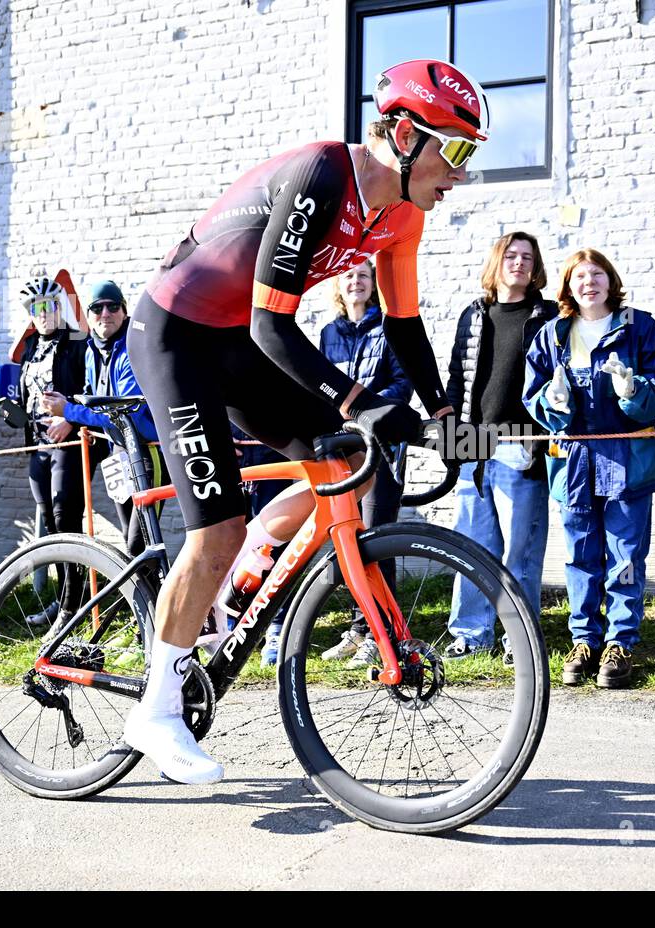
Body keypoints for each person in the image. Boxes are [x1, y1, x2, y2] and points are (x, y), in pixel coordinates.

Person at [123, 59, 486, 783]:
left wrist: (444, 413)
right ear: (407, 134)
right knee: (214, 527)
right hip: (177, 336)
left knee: (339, 452)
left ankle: (233, 579)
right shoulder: (324, 175)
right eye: (459, 151)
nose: (463, 175)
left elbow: (405, 326)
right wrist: (358, 397)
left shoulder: (405, 213)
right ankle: (156, 710)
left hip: (239, 340)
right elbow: (271, 323)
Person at [525, 249, 655, 689]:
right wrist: (552, 404)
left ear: (611, 281)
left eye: (597, 274)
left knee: (625, 556)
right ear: (568, 287)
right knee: (581, 555)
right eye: (579, 276)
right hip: (572, 460)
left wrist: (633, 390)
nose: (588, 282)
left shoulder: (641, 328)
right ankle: (584, 641)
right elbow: (533, 397)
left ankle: (620, 643)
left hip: (628, 457)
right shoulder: (552, 336)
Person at [444, 231, 557, 662]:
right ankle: (471, 635)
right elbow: (458, 378)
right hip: (474, 443)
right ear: (497, 261)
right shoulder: (473, 315)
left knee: (519, 552)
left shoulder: (545, 315)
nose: (520, 263)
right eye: (511, 255)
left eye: (528, 257)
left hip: (521, 444)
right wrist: (452, 435)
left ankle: (518, 639)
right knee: (472, 546)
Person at [315, 259, 412, 666]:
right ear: (339, 284)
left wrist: (358, 410)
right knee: (349, 542)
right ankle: (359, 628)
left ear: (373, 285)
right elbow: (316, 384)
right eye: (349, 275)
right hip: (343, 452)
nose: (356, 281)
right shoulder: (327, 333)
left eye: (363, 276)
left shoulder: (387, 328)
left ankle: (384, 631)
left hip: (382, 449)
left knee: (376, 540)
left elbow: (401, 386)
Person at [40, 280, 166, 559]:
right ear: (90, 314)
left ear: (124, 310)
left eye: (112, 306)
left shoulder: (133, 348)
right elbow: (89, 394)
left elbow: (123, 410)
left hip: (147, 450)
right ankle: (146, 600)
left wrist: (68, 412)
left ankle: (160, 601)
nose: (105, 313)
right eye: (97, 308)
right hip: (117, 451)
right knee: (128, 537)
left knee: (141, 542)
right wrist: (69, 416)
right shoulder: (91, 349)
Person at [11, 276, 88, 637]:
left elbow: (91, 389)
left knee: (66, 519)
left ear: (61, 308)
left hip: (67, 442)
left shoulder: (76, 344)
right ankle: (66, 596)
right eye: (37, 308)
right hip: (38, 444)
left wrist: (70, 421)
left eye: (50, 305)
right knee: (52, 527)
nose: (44, 314)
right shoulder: (30, 348)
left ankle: (75, 607)